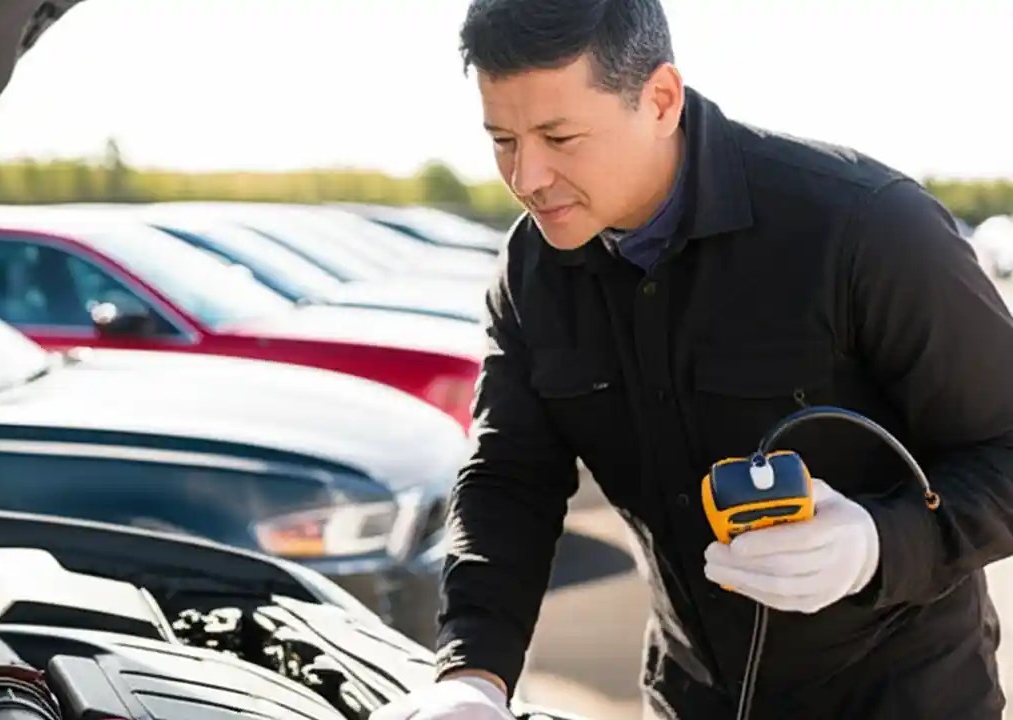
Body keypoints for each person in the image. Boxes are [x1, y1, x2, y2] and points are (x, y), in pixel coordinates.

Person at [369, 1, 1013, 718]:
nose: (528, 177)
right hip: (690, 697)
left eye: (559, 136)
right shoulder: (532, 272)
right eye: (502, 139)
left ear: (661, 99)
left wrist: (879, 543)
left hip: (903, 699)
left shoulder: (865, 228)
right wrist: (472, 676)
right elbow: (509, 480)